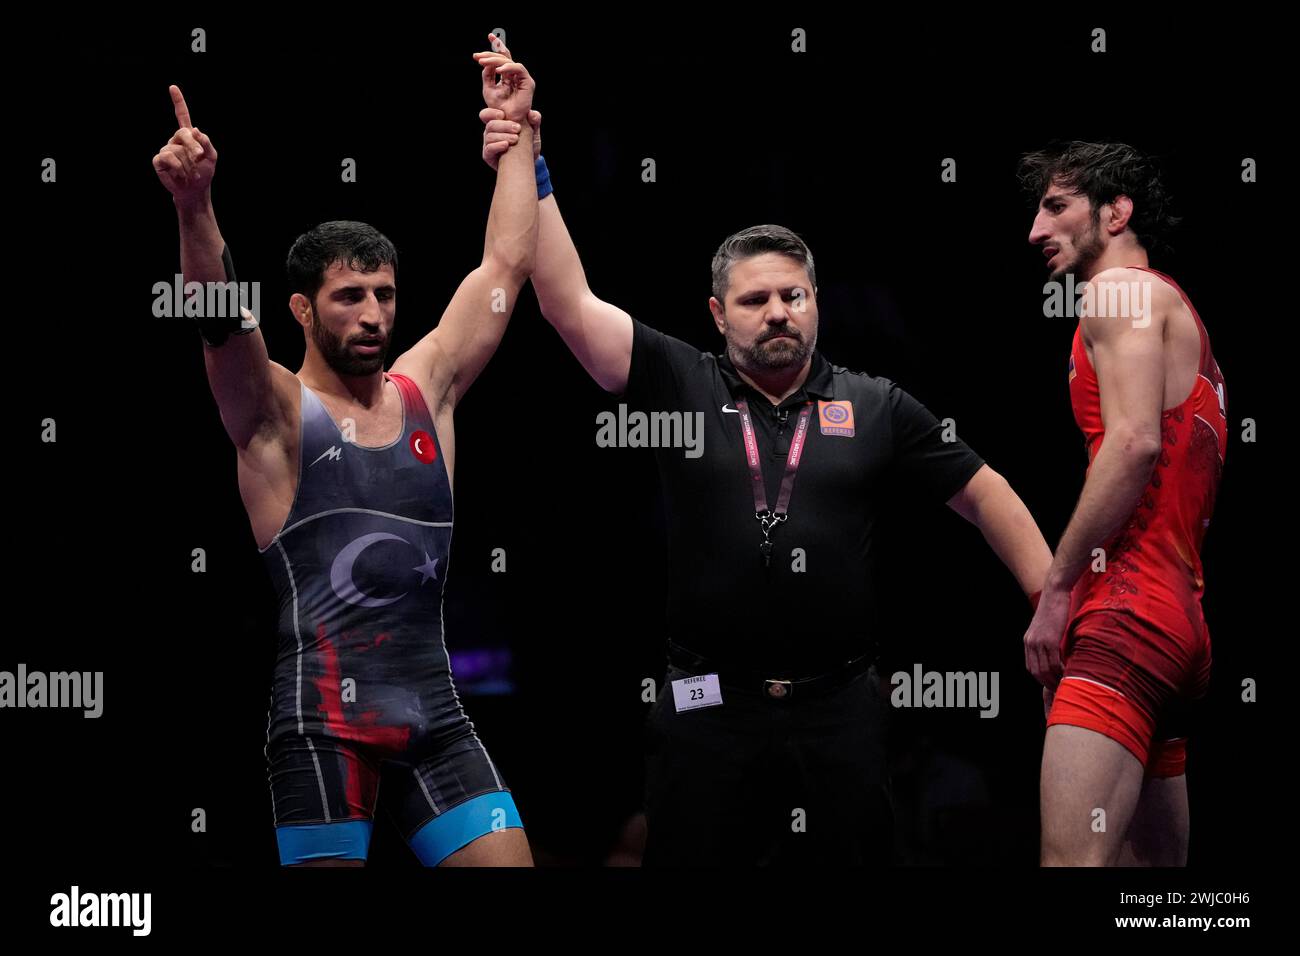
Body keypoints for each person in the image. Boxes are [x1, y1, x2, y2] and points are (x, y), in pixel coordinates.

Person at [476, 39, 1054, 865]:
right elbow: (567, 302)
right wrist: (527, 151)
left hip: (842, 707)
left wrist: (1050, 596)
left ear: (818, 301)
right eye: (755, 299)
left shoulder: (876, 404)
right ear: (718, 313)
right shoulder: (682, 379)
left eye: (793, 295)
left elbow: (986, 491)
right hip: (709, 702)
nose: (777, 311)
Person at [151, 58, 538, 866]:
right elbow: (220, 323)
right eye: (348, 297)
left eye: (385, 295)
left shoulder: (429, 387)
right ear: (301, 308)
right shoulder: (278, 417)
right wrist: (195, 205)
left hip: (436, 713)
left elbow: (503, 266)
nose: (373, 314)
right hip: (320, 728)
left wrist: (518, 141)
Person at [1020, 142, 1227, 866]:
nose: (1035, 231)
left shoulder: (1118, 294)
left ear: (1117, 211)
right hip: (1181, 631)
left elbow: (1135, 444)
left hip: (1128, 617)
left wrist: (1057, 589)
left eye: (1055, 207)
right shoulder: (1182, 316)